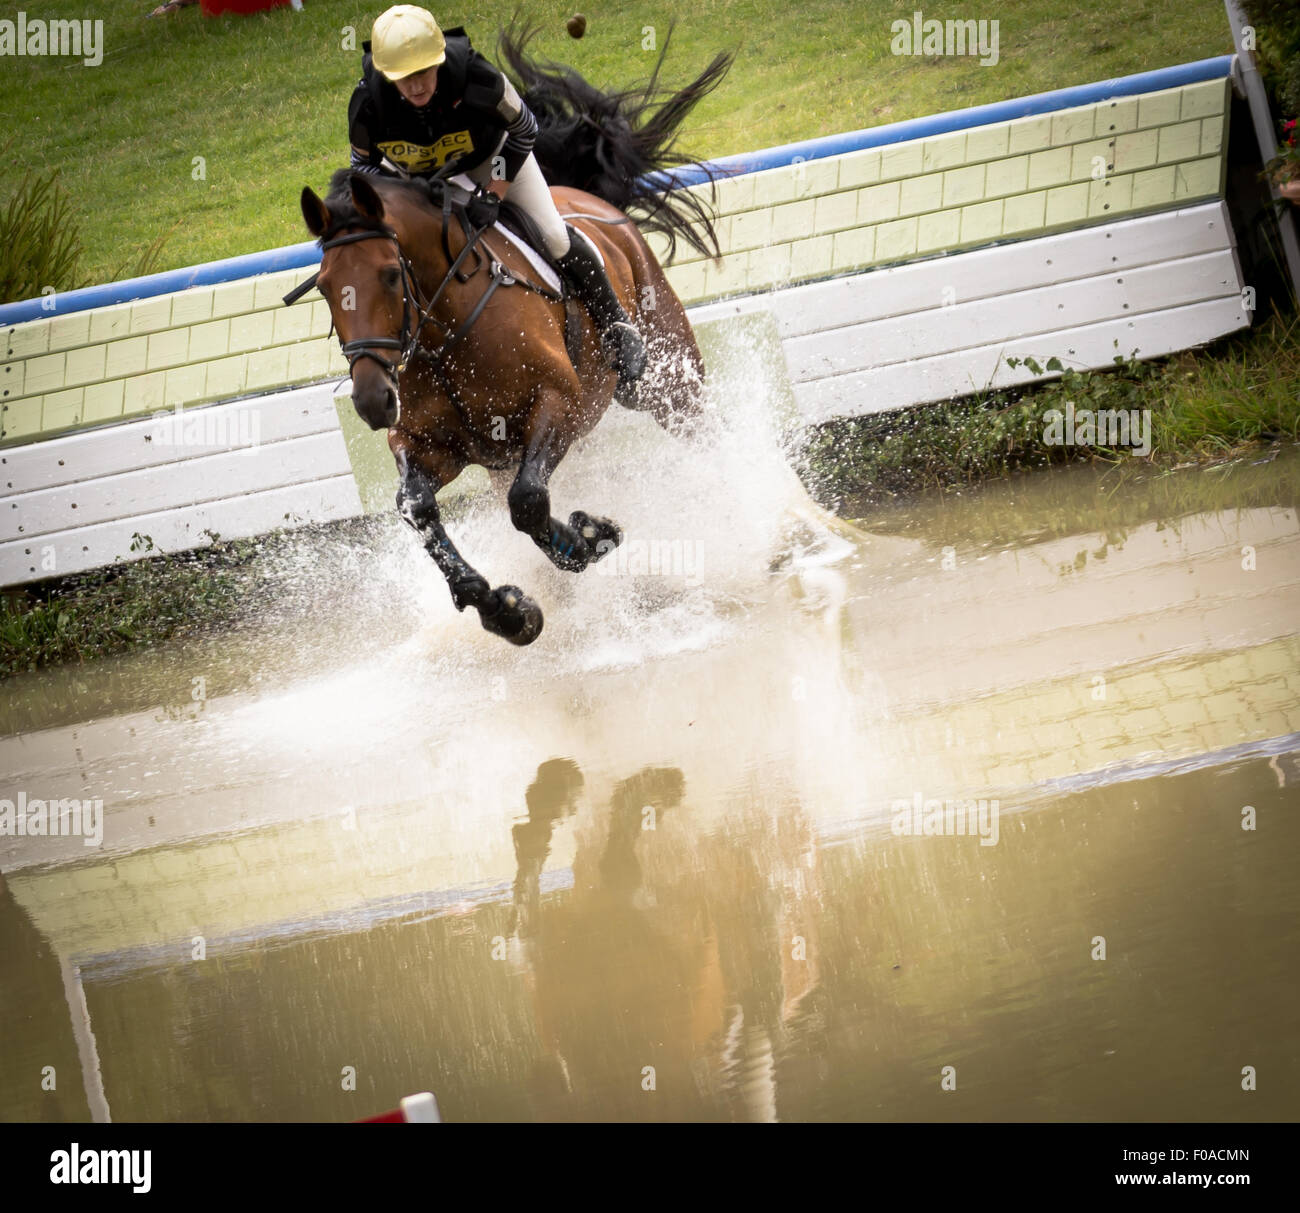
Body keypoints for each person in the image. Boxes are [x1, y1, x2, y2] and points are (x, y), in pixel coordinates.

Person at [347, 6, 645, 385]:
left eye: (423, 72)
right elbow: (364, 171)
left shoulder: (478, 77)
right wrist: (406, 198)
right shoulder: (367, 104)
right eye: (404, 78)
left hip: (495, 159)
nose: (416, 85)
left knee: (553, 237)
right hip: (419, 179)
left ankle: (617, 325)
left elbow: (525, 131)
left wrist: (493, 191)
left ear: (439, 61)